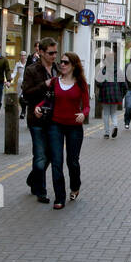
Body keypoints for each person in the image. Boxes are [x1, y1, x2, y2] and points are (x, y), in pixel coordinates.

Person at [48, 51, 90, 209]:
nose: (62, 65)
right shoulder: (55, 82)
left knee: (72, 161)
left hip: (74, 126)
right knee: (56, 162)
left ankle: (75, 186)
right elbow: (47, 100)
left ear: (73, 65)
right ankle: (59, 197)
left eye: (66, 62)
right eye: (61, 62)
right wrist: (38, 108)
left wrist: (83, 114)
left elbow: (86, 106)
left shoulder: (81, 84)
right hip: (55, 125)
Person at [21, 37, 59, 202]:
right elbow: (27, 93)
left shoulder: (59, 68)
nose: (54, 56)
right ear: (41, 52)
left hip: (54, 118)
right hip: (36, 118)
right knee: (40, 155)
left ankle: (33, 178)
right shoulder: (31, 70)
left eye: (55, 52)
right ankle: (41, 192)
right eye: (51, 53)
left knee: (51, 154)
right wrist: (45, 83)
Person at [94, 50, 124, 138]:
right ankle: (115, 126)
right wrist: (121, 95)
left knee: (106, 113)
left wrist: (102, 86)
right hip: (115, 94)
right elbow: (124, 84)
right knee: (113, 112)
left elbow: (98, 82)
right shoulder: (118, 70)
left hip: (105, 94)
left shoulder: (103, 70)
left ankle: (107, 133)